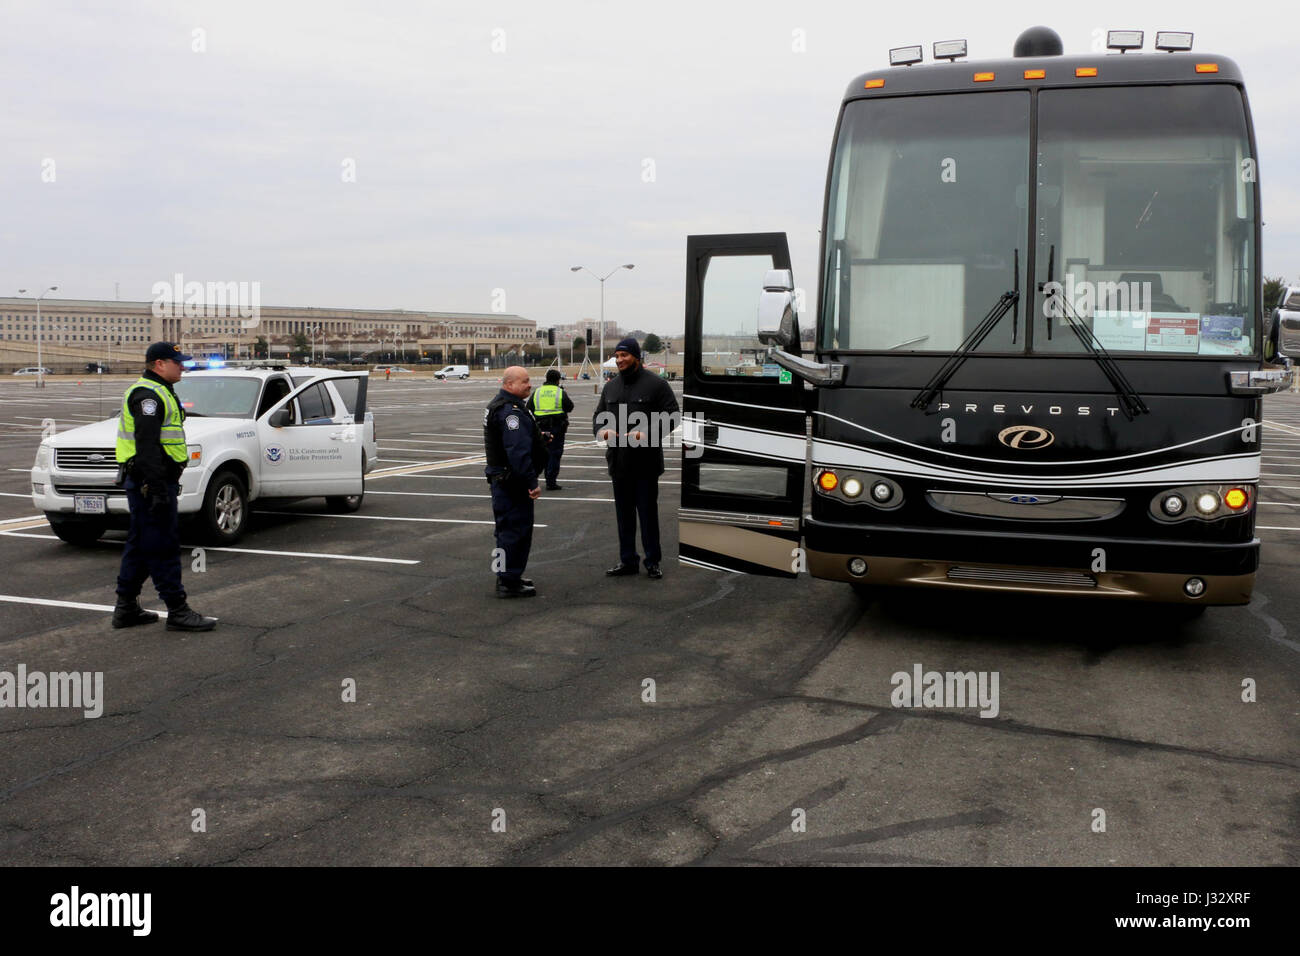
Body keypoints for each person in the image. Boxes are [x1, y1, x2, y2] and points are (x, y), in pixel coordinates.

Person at [112, 342, 218, 631]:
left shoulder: (160, 390)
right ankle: (177, 609)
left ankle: (126, 608)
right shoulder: (148, 395)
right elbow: (146, 446)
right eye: (177, 361)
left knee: (140, 543)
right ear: (159, 364)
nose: (182, 366)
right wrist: (157, 488)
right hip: (151, 483)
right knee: (163, 545)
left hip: (151, 481)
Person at [593, 337, 679, 579]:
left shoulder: (656, 385)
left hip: (645, 464)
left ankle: (652, 561)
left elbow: (673, 416)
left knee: (647, 515)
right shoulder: (611, 387)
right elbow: (598, 416)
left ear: (636, 357)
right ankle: (628, 560)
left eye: (624, 355)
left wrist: (647, 433)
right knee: (624, 517)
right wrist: (602, 431)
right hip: (618, 463)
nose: (619, 360)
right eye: (617, 356)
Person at [483, 366, 548, 597]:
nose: (529, 385)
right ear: (509, 384)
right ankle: (507, 581)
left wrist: (539, 438)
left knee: (507, 532)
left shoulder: (508, 406)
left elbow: (516, 440)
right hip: (511, 482)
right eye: (525, 381)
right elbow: (517, 450)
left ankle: (509, 576)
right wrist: (532, 482)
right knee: (513, 532)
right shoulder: (510, 412)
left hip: (506, 480)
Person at [527, 368, 575, 490]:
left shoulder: (537, 391)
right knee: (554, 454)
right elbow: (570, 407)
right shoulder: (559, 392)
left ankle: (533, 480)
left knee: (538, 453)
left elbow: (529, 407)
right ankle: (551, 481)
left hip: (539, 428)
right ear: (558, 380)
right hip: (556, 427)